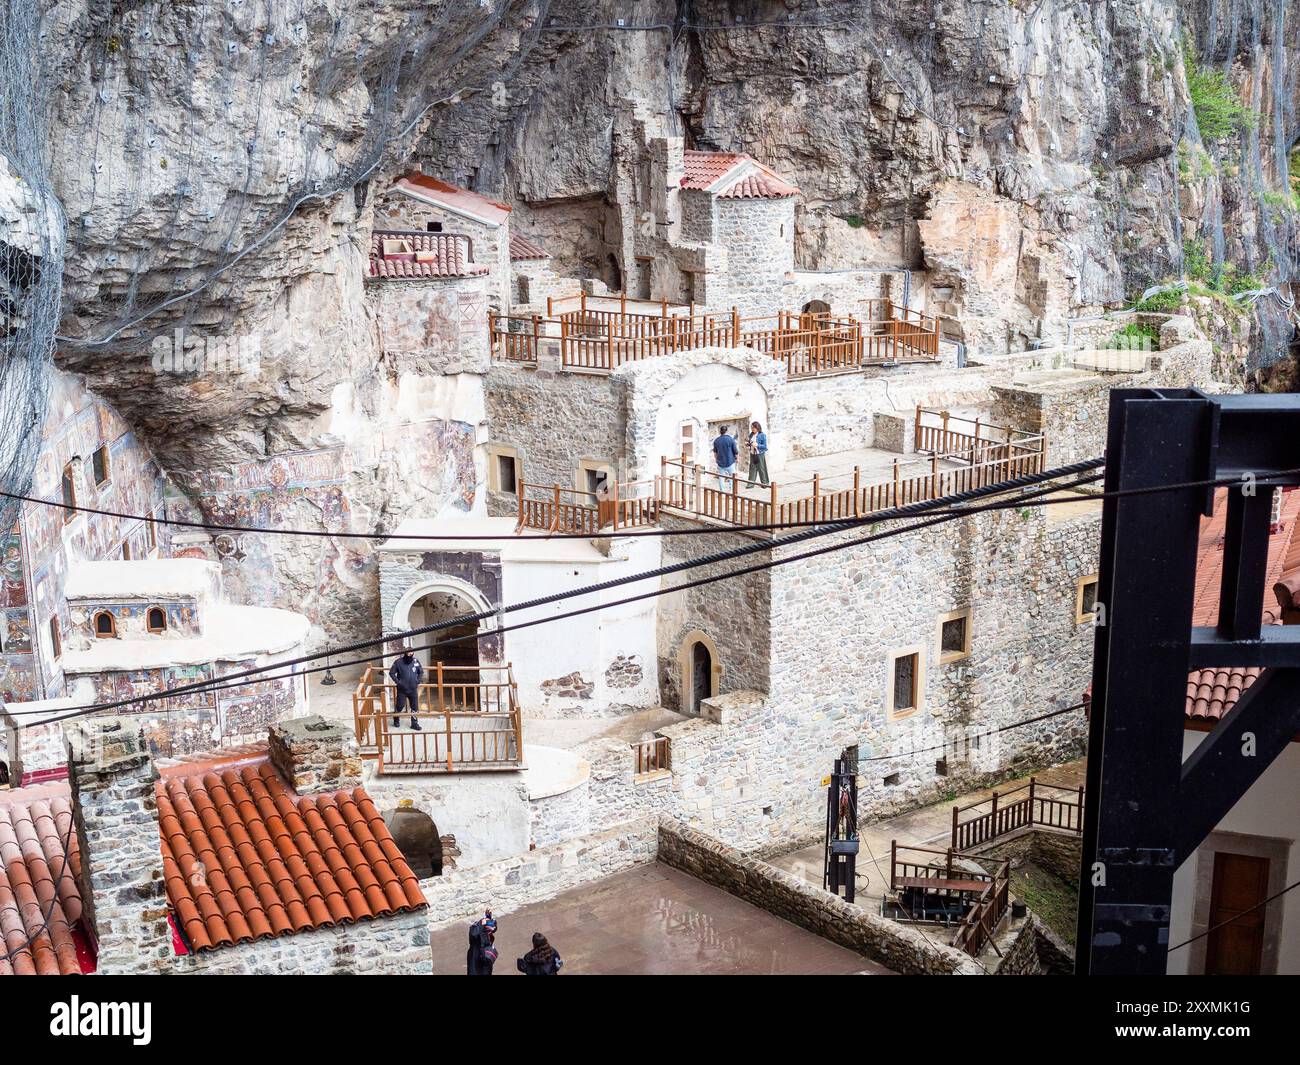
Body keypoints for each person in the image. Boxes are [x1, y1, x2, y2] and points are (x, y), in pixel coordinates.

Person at [388, 646, 423, 730]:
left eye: (411, 653)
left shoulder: (415, 661)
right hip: (402, 690)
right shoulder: (398, 662)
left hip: (413, 689)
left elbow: (421, 672)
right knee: (400, 706)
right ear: (405, 653)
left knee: (415, 707)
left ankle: (414, 723)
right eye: (408, 653)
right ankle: (396, 719)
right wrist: (399, 682)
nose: (410, 654)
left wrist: (417, 681)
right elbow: (391, 673)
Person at [466, 911, 498, 976]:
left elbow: (494, 928)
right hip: (475, 960)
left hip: (485, 960)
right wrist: (481, 923)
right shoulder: (476, 931)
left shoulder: (487, 931)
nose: (491, 930)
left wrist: (488, 917)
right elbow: (473, 933)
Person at [712, 425, 739, 491]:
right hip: (730, 462)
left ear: (720, 431)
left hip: (720, 463)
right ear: (727, 431)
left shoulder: (716, 441)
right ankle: (731, 492)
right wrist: (737, 458)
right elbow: (735, 451)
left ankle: (722, 492)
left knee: (721, 478)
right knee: (732, 478)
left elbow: (715, 452)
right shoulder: (731, 440)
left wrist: (716, 460)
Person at [746, 420, 769, 487]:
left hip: (759, 454)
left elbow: (765, 446)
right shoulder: (751, 434)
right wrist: (748, 444)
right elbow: (750, 442)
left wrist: (757, 445)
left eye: (753, 428)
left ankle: (764, 483)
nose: (752, 429)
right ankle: (750, 484)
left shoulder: (762, 435)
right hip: (752, 453)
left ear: (757, 427)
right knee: (752, 469)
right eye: (751, 427)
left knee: (761, 468)